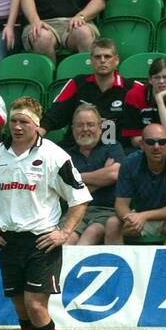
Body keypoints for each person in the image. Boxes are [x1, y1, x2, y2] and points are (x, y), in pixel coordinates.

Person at [0, 96, 91, 330]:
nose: (17, 126)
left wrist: (63, 232)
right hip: (8, 240)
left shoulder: (55, 156)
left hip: (42, 240)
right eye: (13, 120)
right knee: (21, 309)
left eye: (24, 121)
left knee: (35, 305)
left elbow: (79, 199)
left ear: (38, 127)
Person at [105, 123, 166, 244]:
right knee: (112, 223)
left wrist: (144, 216)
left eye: (161, 142)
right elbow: (121, 203)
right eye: (150, 142)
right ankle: (117, 262)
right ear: (142, 145)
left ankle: (165, 262)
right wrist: (131, 218)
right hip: (139, 216)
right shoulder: (130, 162)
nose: (156, 147)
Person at [63, 102, 124, 245]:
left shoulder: (113, 147)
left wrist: (75, 177)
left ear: (100, 127)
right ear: (73, 129)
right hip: (73, 211)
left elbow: (113, 174)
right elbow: (64, 188)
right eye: (80, 125)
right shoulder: (65, 154)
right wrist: (101, 177)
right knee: (66, 240)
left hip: (106, 212)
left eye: (90, 124)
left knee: (91, 233)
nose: (85, 129)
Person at [121, 56, 166, 149]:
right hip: (141, 149)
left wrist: (159, 100)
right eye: (157, 77)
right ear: (150, 79)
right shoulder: (134, 95)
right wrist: (161, 140)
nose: (161, 81)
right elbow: (134, 140)